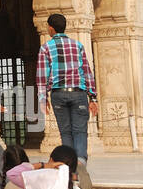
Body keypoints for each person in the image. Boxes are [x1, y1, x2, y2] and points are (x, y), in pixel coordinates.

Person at [38, 13, 98, 161]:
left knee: (65, 132)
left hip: (58, 94)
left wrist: (42, 98)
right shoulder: (78, 45)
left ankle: (70, 165)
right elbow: (86, 71)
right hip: (78, 93)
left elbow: (42, 76)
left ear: (51, 28)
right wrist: (93, 97)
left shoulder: (45, 48)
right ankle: (81, 162)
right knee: (80, 131)